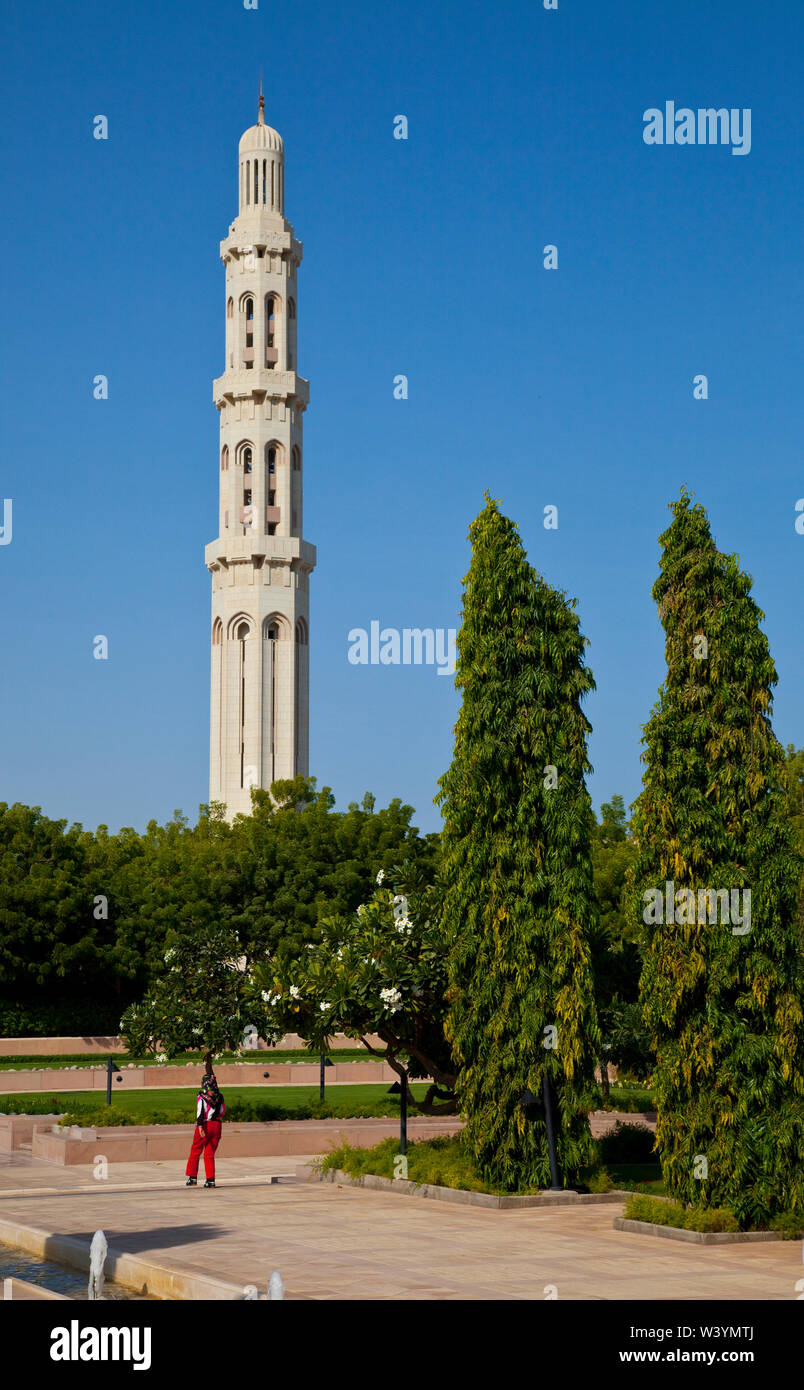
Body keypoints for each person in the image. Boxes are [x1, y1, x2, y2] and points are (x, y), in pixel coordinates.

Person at [185, 1053, 226, 1188]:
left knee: (196, 1149)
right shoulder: (220, 1096)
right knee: (209, 1153)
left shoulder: (201, 1096)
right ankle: (210, 1180)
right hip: (217, 1126)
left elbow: (200, 1112)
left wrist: (200, 1126)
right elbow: (222, 1112)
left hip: (205, 1125)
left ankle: (192, 1177)